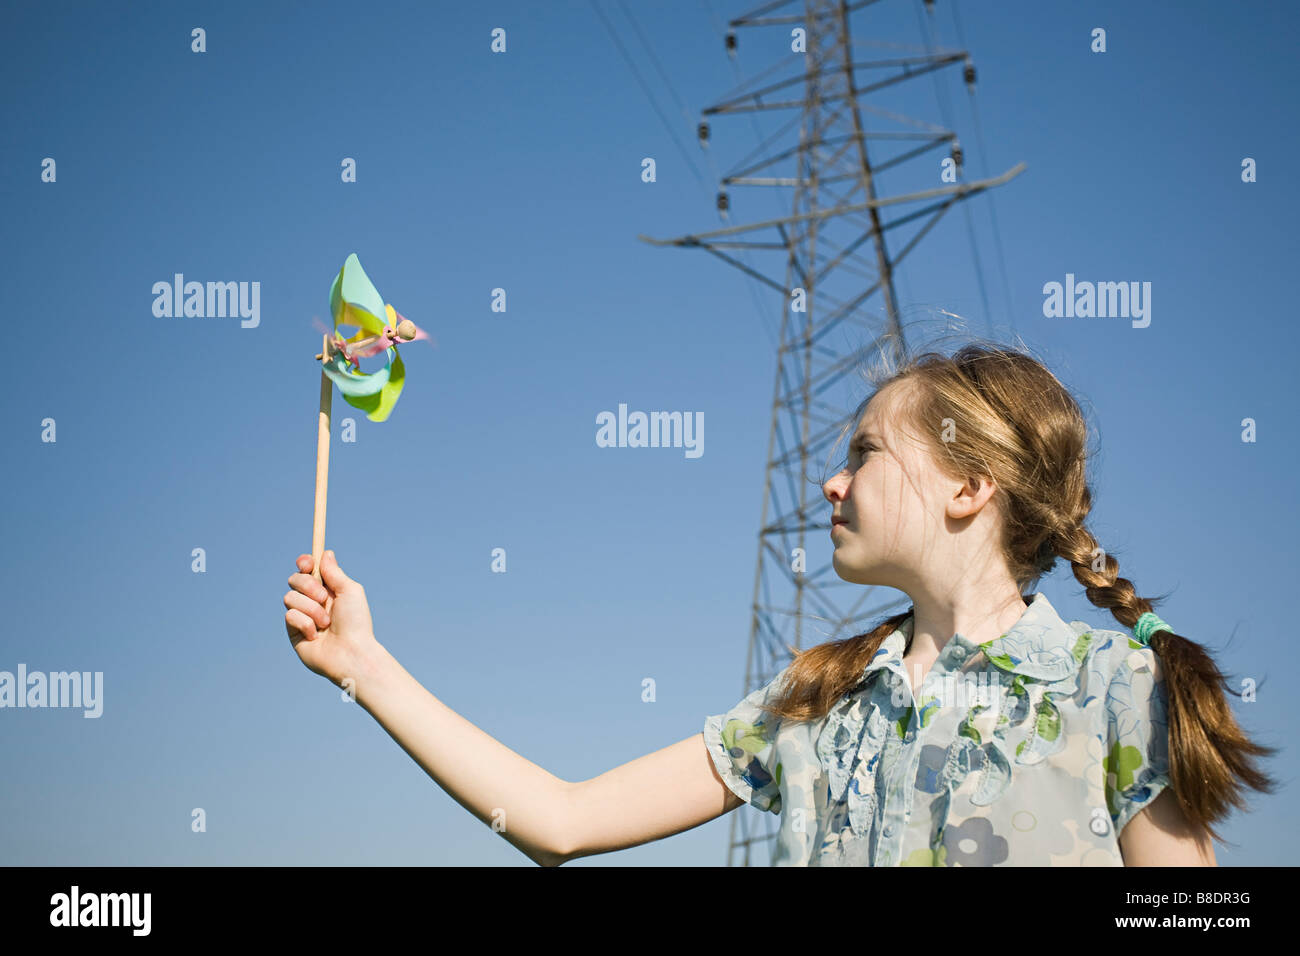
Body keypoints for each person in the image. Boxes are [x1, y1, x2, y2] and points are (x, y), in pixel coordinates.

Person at [283, 341, 1275, 866]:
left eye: (862, 453)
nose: (830, 484)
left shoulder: (1122, 692)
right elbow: (561, 818)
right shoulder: (813, 704)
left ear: (970, 486)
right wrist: (364, 665)